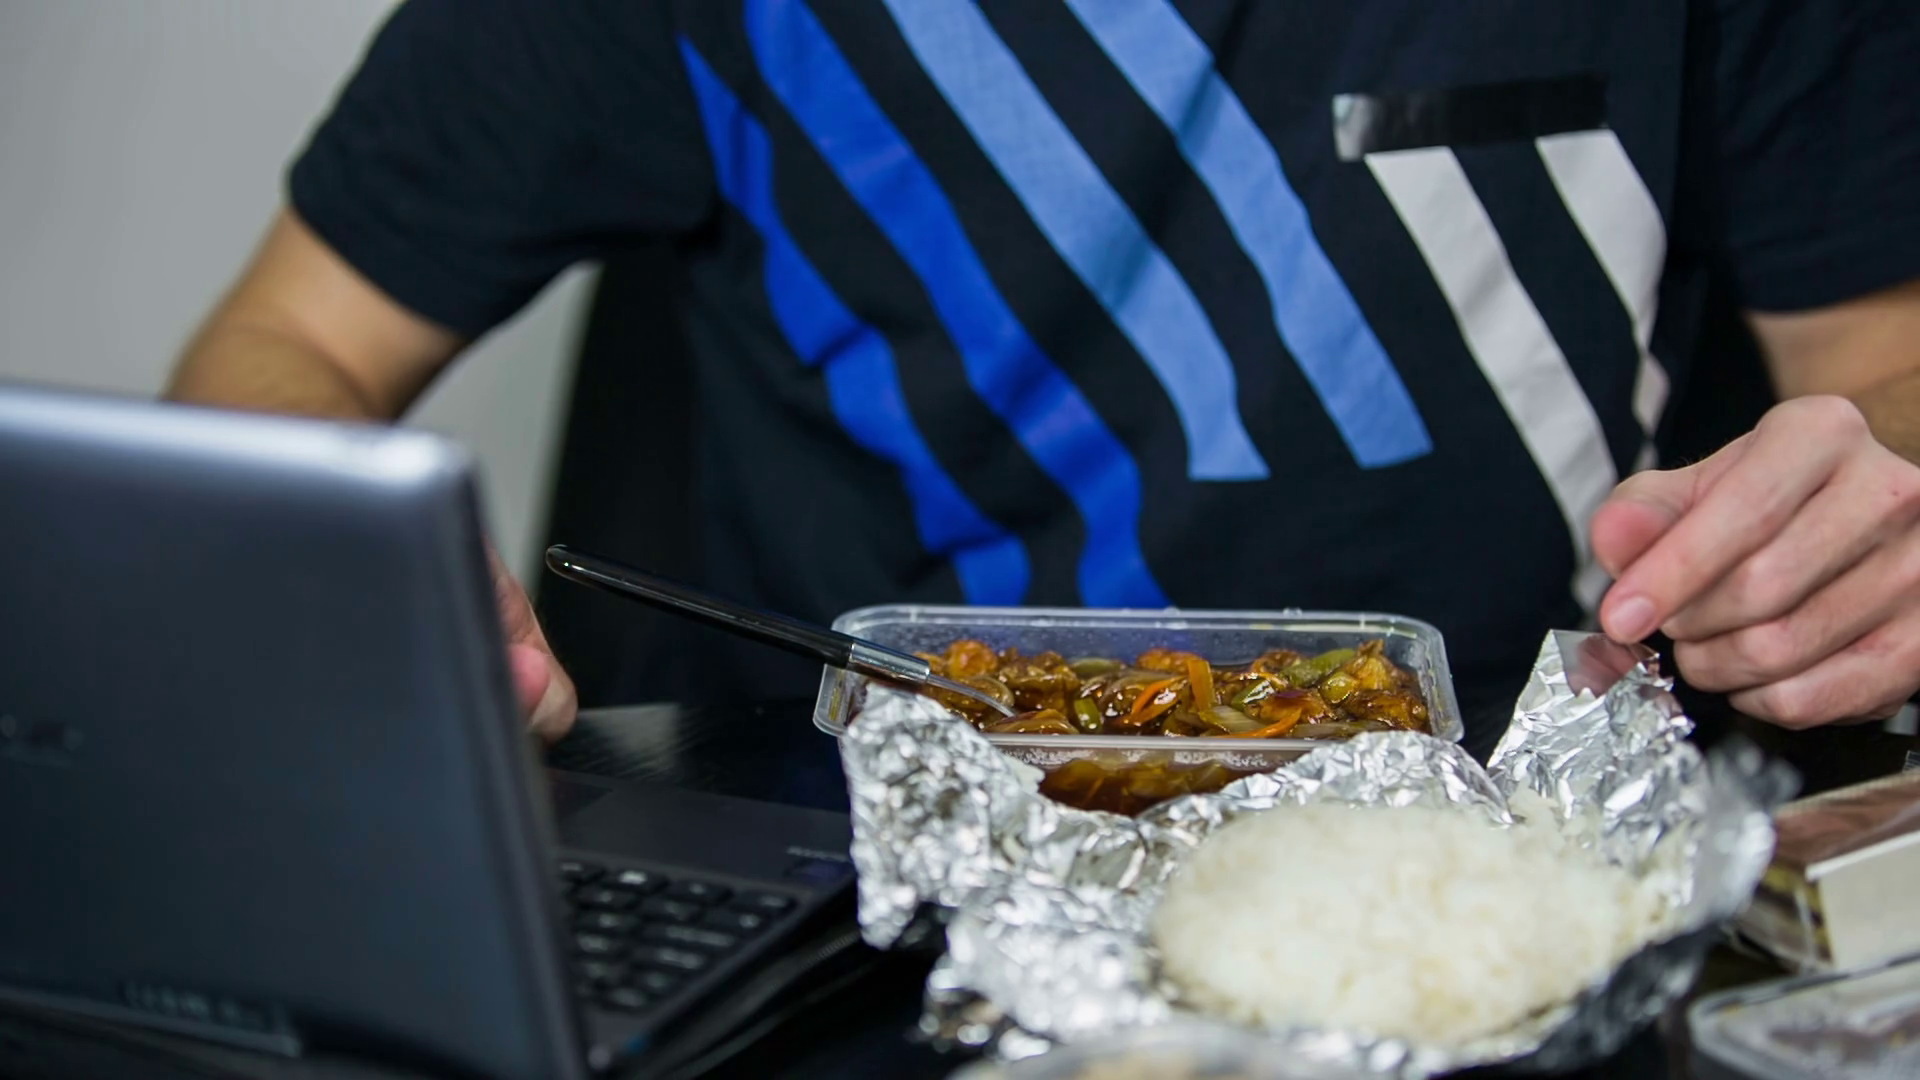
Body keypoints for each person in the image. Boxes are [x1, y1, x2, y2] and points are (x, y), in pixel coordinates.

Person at [167, 0, 1920, 750]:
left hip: (1530, 866)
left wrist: (1871, 521)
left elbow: (1882, 368)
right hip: (869, 923)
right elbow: (287, 345)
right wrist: (340, 577)